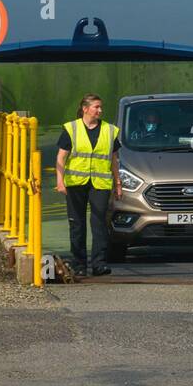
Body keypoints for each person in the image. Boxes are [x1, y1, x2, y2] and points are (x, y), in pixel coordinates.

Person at [55, 93, 121, 278]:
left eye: (101, 107)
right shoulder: (72, 128)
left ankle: (99, 264)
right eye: (96, 107)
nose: (100, 110)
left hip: (100, 183)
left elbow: (114, 159)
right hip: (76, 183)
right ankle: (79, 264)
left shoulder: (110, 130)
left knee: (99, 221)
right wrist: (60, 181)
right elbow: (61, 157)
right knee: (77, 223)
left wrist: (118, 183)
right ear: (85, 109)